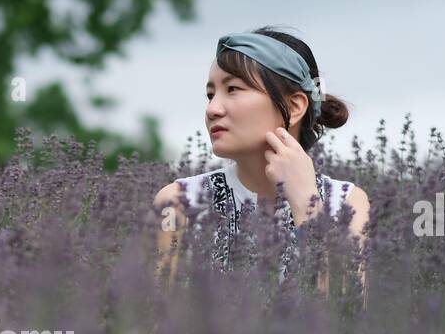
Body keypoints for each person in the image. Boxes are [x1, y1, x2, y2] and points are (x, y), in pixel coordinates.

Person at [153, 27, 371, 296]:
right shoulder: (180, 201)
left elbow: (345, 317)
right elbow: (155, 326)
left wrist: (306, 203)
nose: (212, 109)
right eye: (210, 95)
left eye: (233, 89)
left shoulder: (346, 203)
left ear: (294, 107)